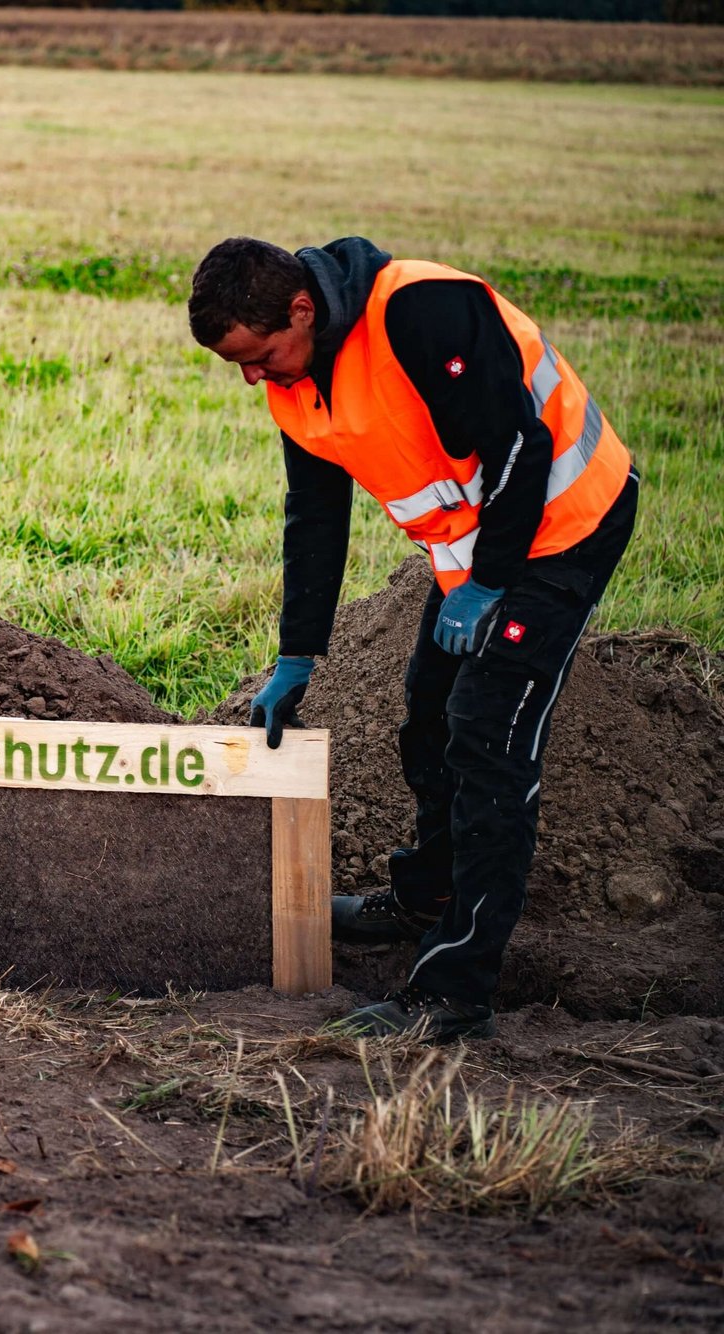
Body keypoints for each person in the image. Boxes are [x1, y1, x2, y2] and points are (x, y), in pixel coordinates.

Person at [188, 236, 638, 1041]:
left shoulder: (424, 310)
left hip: (565, 523)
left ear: (300, 309)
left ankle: (456, 989)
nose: (253, 377)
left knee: (486, 735)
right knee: (429, 707)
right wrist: (299, 654)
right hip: (481, 543)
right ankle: (428, 893)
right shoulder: (297, 380)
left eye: (259, 356)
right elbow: (315, 519)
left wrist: (494, 584)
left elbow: (519, 448)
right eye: (239, 367)